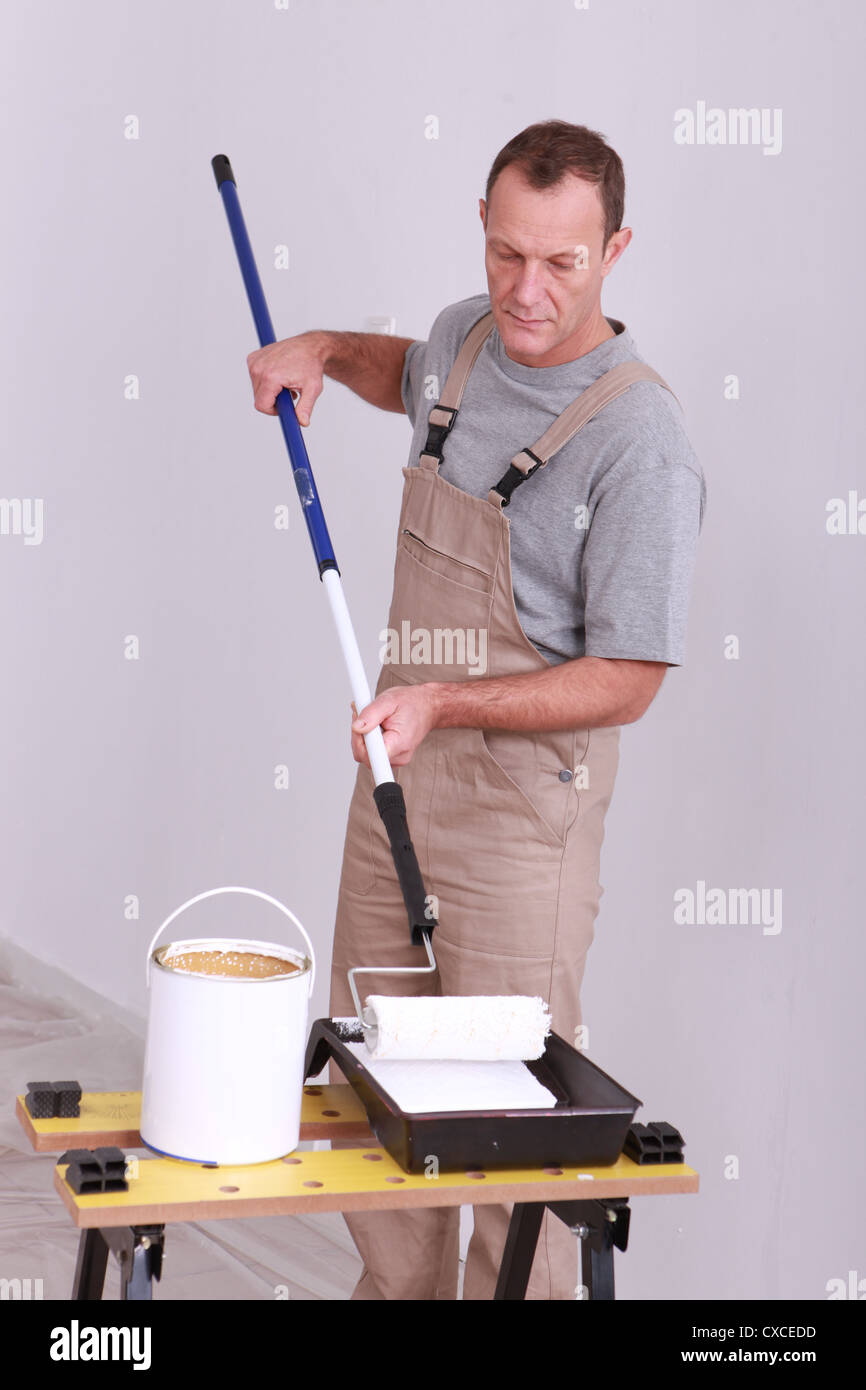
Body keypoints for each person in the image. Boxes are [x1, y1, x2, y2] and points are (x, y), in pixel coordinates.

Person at [247, 119, 706, 1300]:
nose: (527, 291)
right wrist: (316, 349)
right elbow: (391, 364)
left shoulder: (637, 438)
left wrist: (445, 698)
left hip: (518, 818)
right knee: (369, 1090)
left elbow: (631, 676)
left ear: (616, 248)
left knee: (515, 1127)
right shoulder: (463, 339)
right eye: (507, 253)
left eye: (561, 262)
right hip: (396, 783)